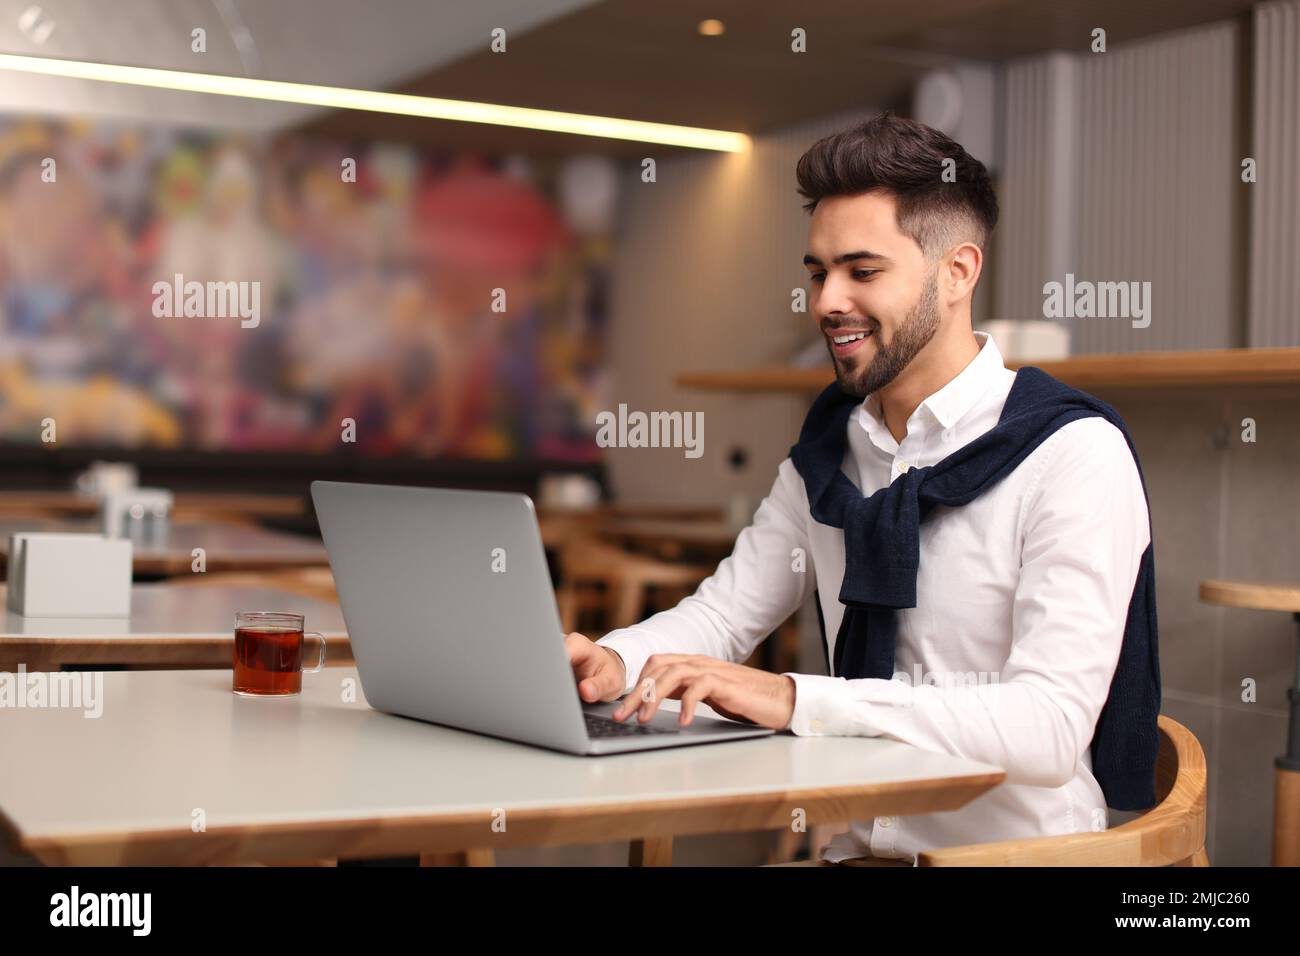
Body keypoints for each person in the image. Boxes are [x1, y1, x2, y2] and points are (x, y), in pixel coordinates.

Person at [565, 113, 1158, 866]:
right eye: (817, 272)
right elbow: (723, 616)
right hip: (856, 851)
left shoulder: (1073, 456)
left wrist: (794, 698)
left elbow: (1048, 727)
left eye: (862, 271)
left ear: (958, 272)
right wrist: (617, 660)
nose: (824, 302)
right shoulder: (829, 452)